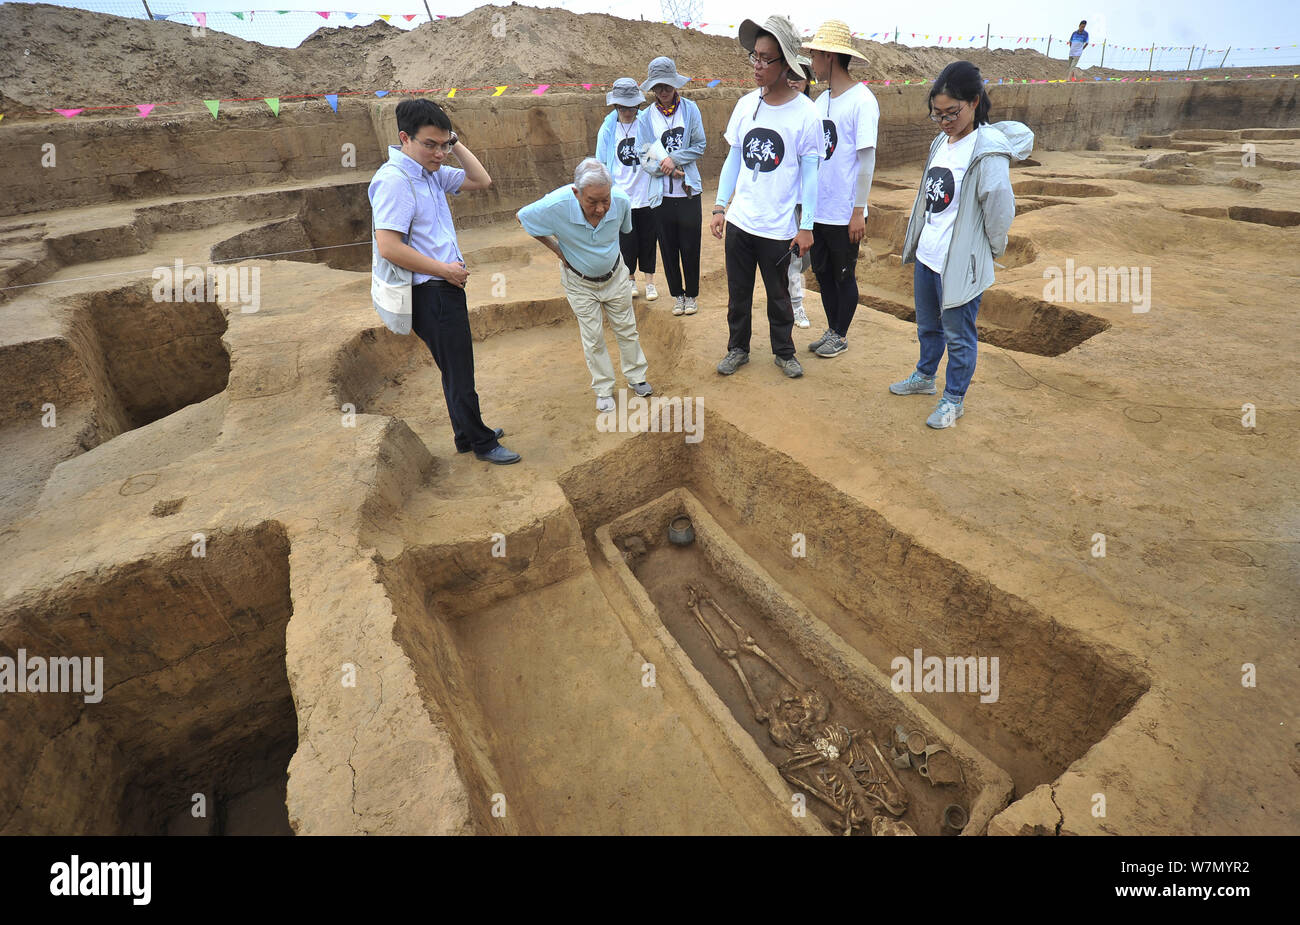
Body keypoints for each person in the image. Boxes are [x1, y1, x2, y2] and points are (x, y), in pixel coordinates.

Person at [368, 98, 520, 465]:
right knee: (460, 370)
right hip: (430, 290)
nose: (439, 153)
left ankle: (466, 435)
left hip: (441, 285)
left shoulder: (430, 172)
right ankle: (482, 443)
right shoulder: (396, 180)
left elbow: (481, 180)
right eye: (430, 144)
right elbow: (389, 247)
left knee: (453, 367)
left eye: (444, 144)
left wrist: (455, 142)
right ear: (405, 138)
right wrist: (444, 270)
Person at [889, 61, 1033, 429]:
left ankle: (954, 399)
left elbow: (1000, 207)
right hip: (929, 254)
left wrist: (989, 250)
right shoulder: (941, 141)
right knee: (928, 327)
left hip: (960, 262)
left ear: (974, 102)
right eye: (937, 114)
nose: (944, 121)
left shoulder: (986, 152)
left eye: (951, 113)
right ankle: (924, 377)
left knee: (959, 335)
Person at [711, 16, 823, 380]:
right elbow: (734, 159)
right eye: (754, 56)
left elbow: (811, 174)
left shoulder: (806, 114)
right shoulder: (746, 105)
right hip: (741, 221)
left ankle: (784, 352)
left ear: (785, 63)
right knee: (738, 294)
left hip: (778, 227)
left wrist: (806, 226)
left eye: (765, 58)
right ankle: (737, 349)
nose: (757, 65)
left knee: (779, 295)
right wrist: (720, 206)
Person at [517, 158, 653, 413]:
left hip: (615, 276)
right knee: (593, 337)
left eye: (605, 200)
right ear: (576, 193)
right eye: (592, 202)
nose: (600, 209)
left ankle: (637, 377)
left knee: (627, 328)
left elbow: (625, 229)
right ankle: (603, 389)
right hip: (579, 283)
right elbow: (523, 217)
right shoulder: (556, 205)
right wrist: (557, 250)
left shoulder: (621, 201)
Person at [803, 19, 879, 359]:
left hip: (844, 210)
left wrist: (858, 210)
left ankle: (840, 334)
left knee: (844, 275)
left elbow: (866, 160)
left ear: (830, 57)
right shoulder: (821, 102)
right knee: (823, 273)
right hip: (819, 209)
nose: (812, 63)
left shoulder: (862, 101)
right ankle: (833, 329)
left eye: (815, 56)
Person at [636, 57, 706, 317]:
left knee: (690, 246)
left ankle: (692, 295)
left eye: (667, 85)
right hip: (661, 195)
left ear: (675, 85)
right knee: (668, 247)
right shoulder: (646, 118)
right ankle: (678, 295)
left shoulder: (690, 110)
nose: (663, 91)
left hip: (688, 192)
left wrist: (673, 159)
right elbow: (643, 154)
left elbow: (699, 145)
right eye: (658, 87)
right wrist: (664, 168)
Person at [595, 78, 659, 303]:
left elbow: (654, 154)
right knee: (626, 241)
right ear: (615, 106)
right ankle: (630, 279)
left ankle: (650, 282)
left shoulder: (645, 124)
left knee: (649, 239)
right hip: (621, 195)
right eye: (623, 107)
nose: (628, 111)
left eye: (632, 106)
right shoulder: (608, 128)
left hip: (646, 192)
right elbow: (601, 162)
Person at [786, 67, 814, 330]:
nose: (793, 83)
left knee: (802, 259)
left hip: (808, 199)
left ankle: (794, 302)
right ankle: (795, 306)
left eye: (798, 78)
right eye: (789, 77)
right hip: (785, 199)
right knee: (792, 258)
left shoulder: (813, 114)